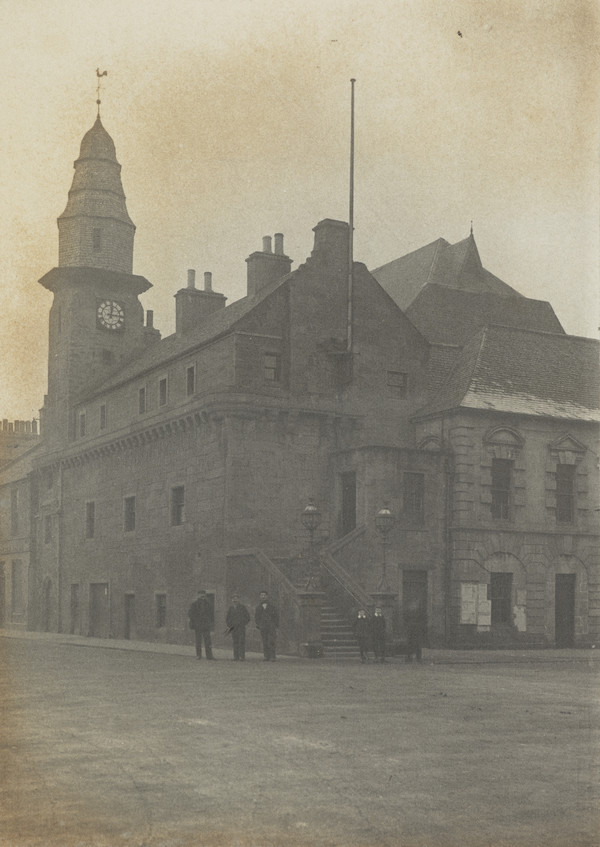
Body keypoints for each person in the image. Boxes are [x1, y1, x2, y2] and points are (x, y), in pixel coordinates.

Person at [188, 589, 215, 660]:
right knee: (198, 641)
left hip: (206, 625)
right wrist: (195, 621)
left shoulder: (208, 604)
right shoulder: (194, 604)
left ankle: (209, 656)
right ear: (198, 595)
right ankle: (198, 655)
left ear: (205, 595)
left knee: (208, 641)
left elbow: (211, 614)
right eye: (200, 594)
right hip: (198, 625)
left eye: (203, 594)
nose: (202, 595)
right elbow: (190, 614)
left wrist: (210, 622)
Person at [254, 590, 279, 661]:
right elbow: (256, 617)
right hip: (263, 626)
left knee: (271, 641)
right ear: (259, 597)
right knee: (264, 641)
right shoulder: (258, 607)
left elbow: (276, 616)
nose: (263, 597)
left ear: (267, 596)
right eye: (261, 595)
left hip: (271, 626)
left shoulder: (272, 606)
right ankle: (266, 656)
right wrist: (259, 624)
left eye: (264, 595)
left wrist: (275, 625)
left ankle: (272, 656)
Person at [226, 594, 251, 661]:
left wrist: (243, 623)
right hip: (233, 628)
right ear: (231, 600)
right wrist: (230, 625)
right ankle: (236, 657)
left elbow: (248, 617)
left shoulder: (242, 607)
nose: (235, 600)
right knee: (235, 642)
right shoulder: (230, 608)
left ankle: (242, 657)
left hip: (241, 627)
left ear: (238, 599)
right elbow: (227, 618)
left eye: (236, 598)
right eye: (233, 598)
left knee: (241, 641)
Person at [405, 599, 424, 663]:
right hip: (410, 629)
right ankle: (409, 658)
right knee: (409, 644)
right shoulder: (408, 612)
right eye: (413, 604)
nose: (414, 606)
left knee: (418, 644)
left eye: (415, 604)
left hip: (417, 629)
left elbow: (423, 619)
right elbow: (405, 619)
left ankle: (418, 658)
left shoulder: (420, 612)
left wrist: (419, 626)